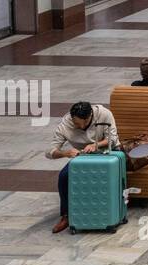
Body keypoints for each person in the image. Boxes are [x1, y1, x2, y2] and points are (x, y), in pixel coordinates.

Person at [47, 100, 120, 234]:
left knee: (105, 176)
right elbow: (50, 152)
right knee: (64, 176)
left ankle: (108, 210)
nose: (79, 127)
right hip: (83, 156)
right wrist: (65, 153)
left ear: (90, 117)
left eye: (83, 124)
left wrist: (96, 145)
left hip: (107, 151)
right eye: (76, 124)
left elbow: (113, 139)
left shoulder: (104, 114)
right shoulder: (66, 123)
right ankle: (66, 215)